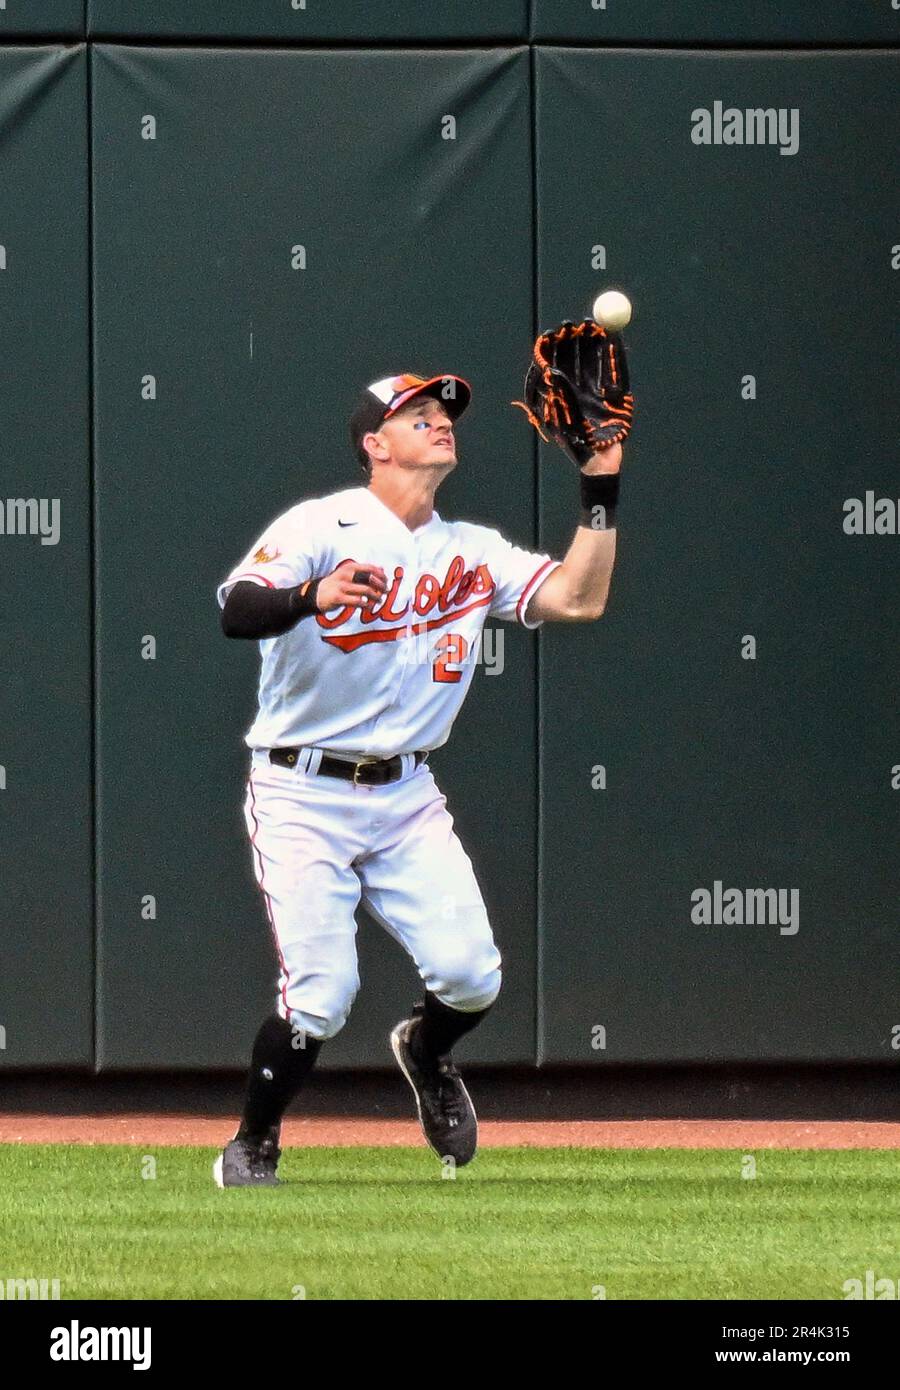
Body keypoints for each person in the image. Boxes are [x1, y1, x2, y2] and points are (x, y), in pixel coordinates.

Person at [213, 366, 624, 1186]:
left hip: (404, 796)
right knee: (323, 995)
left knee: (473, 975)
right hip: (302, 791)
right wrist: (310, 592)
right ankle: (253, 1141)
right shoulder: (323, 525)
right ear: (375, 444)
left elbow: (580, 600)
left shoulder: (470, 550)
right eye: (418, 414)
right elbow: (237, 608)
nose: (441, 422)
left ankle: (425, 1053)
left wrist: (600, 484)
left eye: (446, 413)